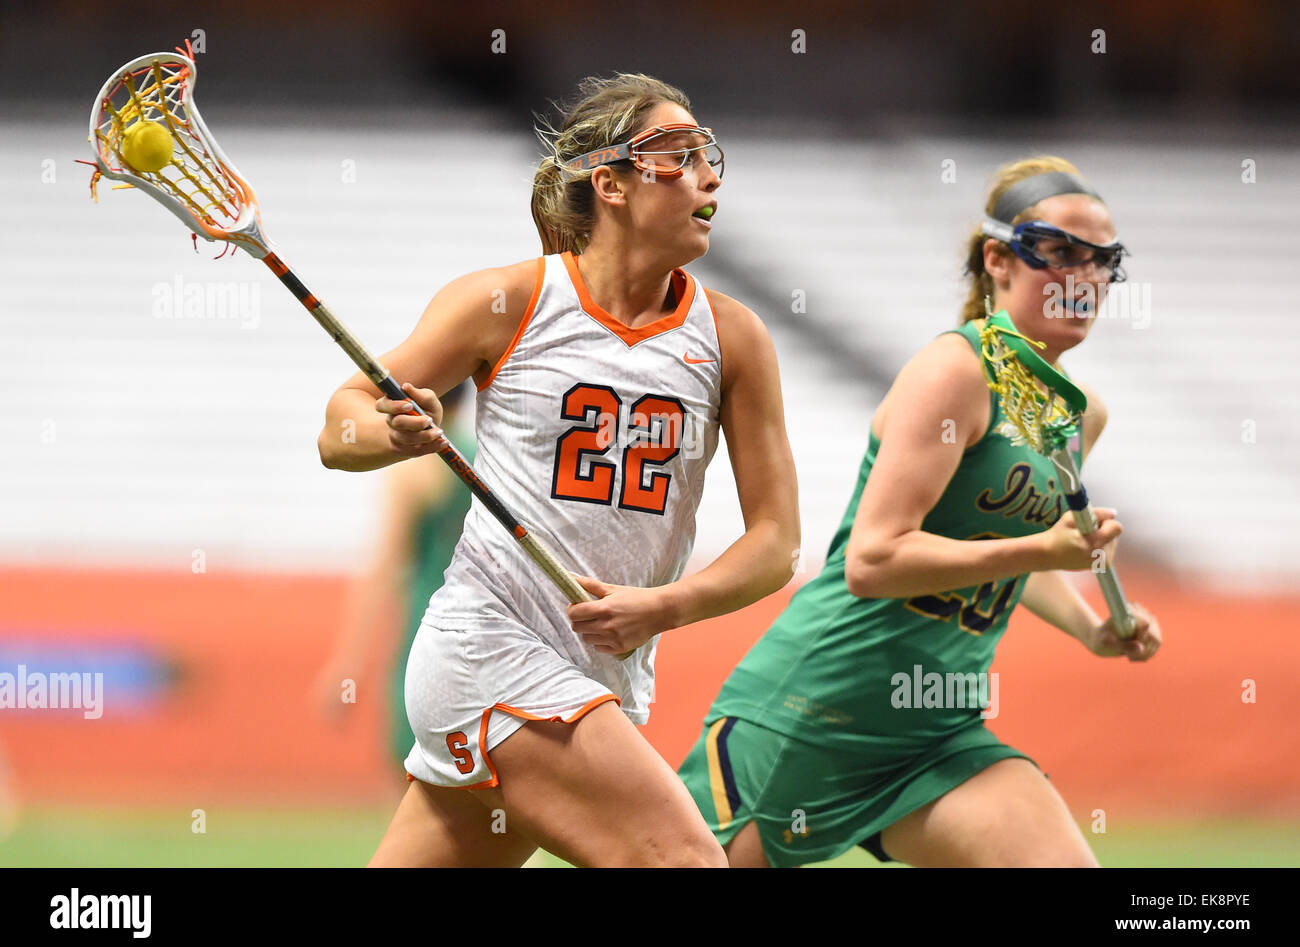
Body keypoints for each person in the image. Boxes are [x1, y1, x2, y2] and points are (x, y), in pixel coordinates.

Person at [316, 74, 800, 867]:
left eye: (710, 155)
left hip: (596, 669)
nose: (709, 175)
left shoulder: (734, 340)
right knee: (685, 860)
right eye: (678, 156)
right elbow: (340, 425)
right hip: (488, 650)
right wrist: (389, 433)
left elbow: (778, 543)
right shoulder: (506, 301)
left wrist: (666, 606)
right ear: (608, 182)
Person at [678, 155, 1163, 868]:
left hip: (936, 732)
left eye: (1103, 261)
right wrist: (1042, 550)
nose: (1084, 278)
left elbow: (1009, 552)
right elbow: (875, 562)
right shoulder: (954, 373)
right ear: (999, 258)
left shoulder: (1079, 414)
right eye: (1060, 254)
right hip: (814, 712)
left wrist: (1090, 627)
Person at [313, 382, 475, 774]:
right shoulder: (483, 459)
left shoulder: (414, 470)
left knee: (417, 770)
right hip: (485, 629)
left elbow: (384, 570)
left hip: (428, 629)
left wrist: (347, 664)